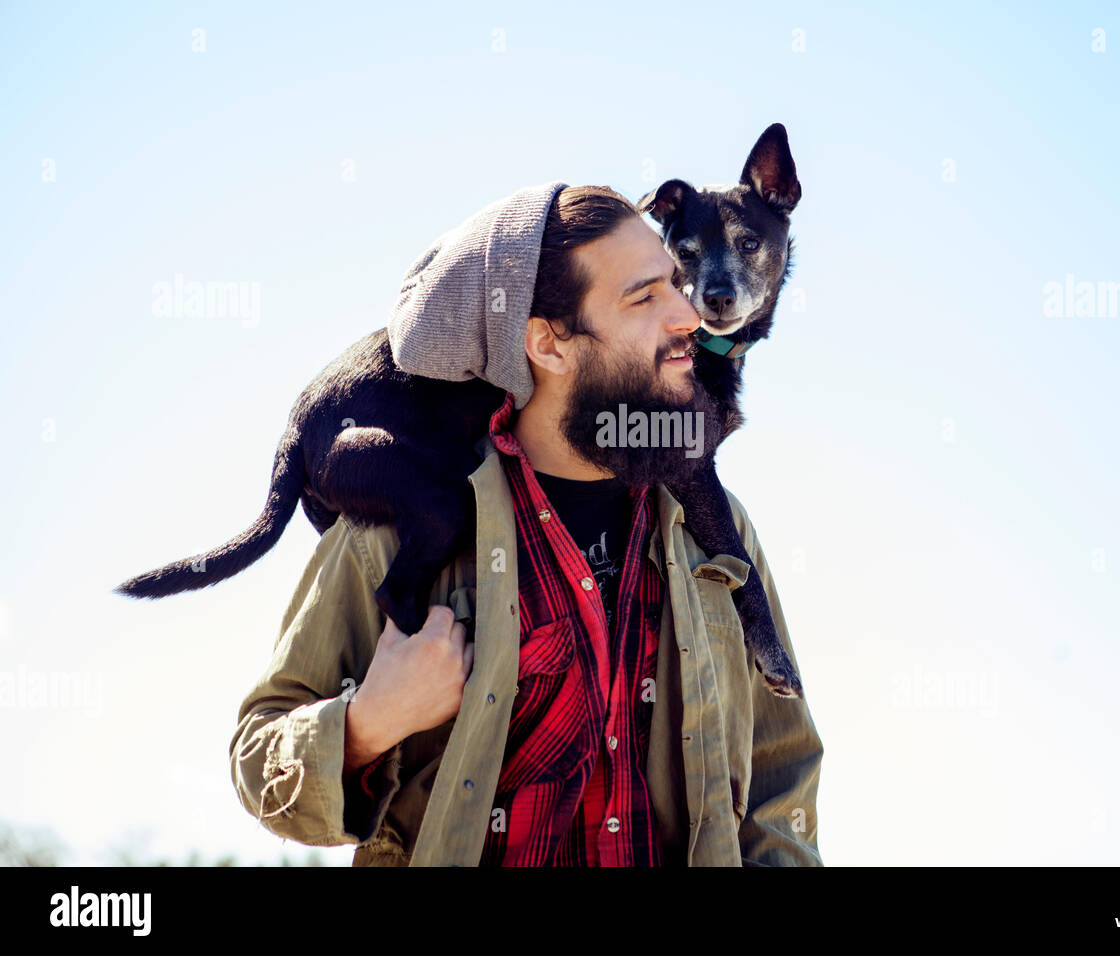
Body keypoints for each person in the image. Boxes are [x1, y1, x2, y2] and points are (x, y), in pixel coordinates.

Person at [228, 182, 823, 866]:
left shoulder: (715, 529)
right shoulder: (395, 533)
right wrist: (365, 726)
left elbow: (784, 770)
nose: (689, 313)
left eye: (674, 284)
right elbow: (257, 755)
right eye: (644, 297)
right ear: (548, 343)